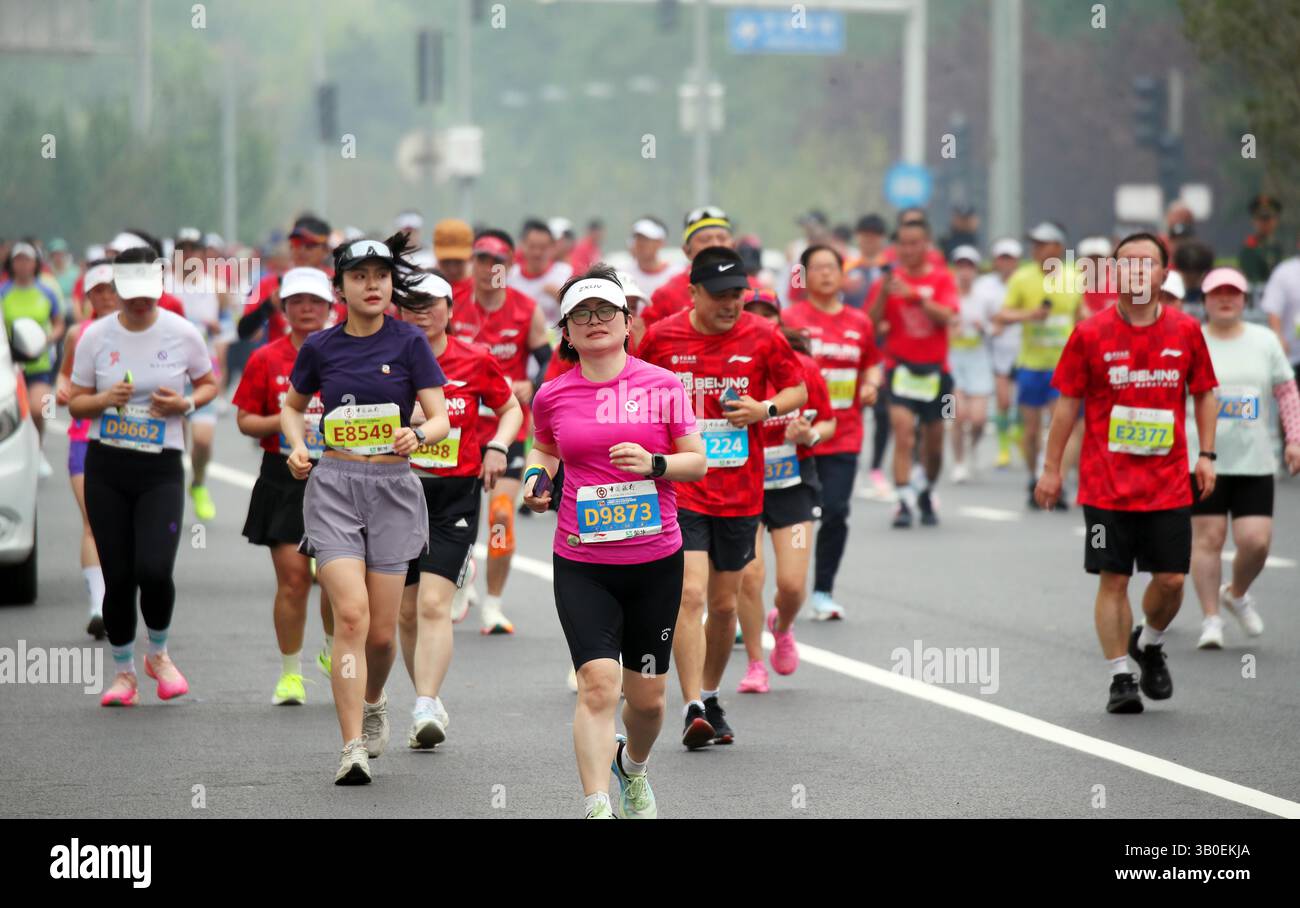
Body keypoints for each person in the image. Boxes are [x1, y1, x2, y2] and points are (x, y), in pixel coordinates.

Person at [523, 266, 706, 817]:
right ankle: (596, 804)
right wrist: (537, 479)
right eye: (582, 315)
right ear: (567, 332)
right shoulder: (552, 395)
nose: (595, 322)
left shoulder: (663, 386)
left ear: (628, 323)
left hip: (655, 561)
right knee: (598, 685)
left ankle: (632, 767)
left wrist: (655, 463)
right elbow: (545, 450)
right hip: (583, 561)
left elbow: (696, 462)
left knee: (648, 703)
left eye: (606, 312)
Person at [282, 235, 450, 784]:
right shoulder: (320, 347)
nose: (372, 285)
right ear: (341, 288)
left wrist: (417, 434)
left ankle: (375, 700)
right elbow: (292, 407)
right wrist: (298, 445)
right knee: (350, 615)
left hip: (393, 488)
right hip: (333, 485)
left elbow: (441, 419)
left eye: (381, 276)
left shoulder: (409, 343)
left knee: (381, 634)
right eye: (360, 276)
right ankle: (351, 745)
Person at [1035, 232, 1218, 715]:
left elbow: (1204, 392)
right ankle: (1120, 676)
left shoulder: (1185, 331)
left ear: (1163, 274)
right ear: (1114, 274)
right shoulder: (1089, 334)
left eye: (1147, 264)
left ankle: (1150, 643)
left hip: (1168, 484)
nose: (1137, 272)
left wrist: (1208, 455)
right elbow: (1066, 407)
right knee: (1113, 579)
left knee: (1173, 581)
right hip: (1105, 485)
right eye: (1127, 264)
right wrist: (1051, 470)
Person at [637, 246, 806, 748]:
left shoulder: (762, 334)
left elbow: (797, 388)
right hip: (682, 488)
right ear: (694, 293)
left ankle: (709, 695)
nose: (731, 304)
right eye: (720, 296)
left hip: (740, 492)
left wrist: (765, 408)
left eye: (738, 295)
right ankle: (691, 706)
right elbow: (634, 388)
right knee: (688, 595)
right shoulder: (663, 337)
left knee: (725, 604)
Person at [67, 247, 221, 706]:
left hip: (160, 467)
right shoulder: (95, 336)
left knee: (153, 568)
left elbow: (210, 382)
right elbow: (75, 401)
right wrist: (103, 399)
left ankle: (159, 653)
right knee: (118, 576)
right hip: (107, 465)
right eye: (130, 295)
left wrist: (185, 404)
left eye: (147, 295)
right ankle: (123, 672)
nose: (139, 303)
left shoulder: (182, 332)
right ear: (115, 289)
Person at [396, 271, 522, 748]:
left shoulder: (474, 358)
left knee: (433, 604)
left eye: (432, 303)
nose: (422, 311)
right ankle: (424, 696)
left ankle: (425, 703)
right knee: (405, 613)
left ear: (451, 308)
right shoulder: (386, 360)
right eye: (412, 304)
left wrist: (498, 446)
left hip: (454, 496)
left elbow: (510, 408)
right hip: (396, 493)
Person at [232, 267, 339, 704]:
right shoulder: (265, 358)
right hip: (283, 476)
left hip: (340, 475)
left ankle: (334, 651)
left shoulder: (347, 353)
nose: (307, 309)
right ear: (284, 308)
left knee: (335, 579)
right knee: (294, 580)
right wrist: (288, 419)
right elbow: (244, 421)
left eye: (315, 301)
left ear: (331, 307)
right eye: (297, 302)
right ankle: (290, 673)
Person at [1185, 268, 1300, 649]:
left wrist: (1294, 441)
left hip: (1254, 460)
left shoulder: (1265, 341)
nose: (1225, 299)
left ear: (1244, 300)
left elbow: (1286, 393)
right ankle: (1211, 620)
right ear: (1203, 301)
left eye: (1233, 293)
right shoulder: (1191, 340)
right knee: (1209, 539)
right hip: (1204, 460)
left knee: (1256, 542)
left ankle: (1235, 593)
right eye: (1216, 293)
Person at [448, 229, 551, 635]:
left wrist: (532, 384)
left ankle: (492, 604)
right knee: (460, 518)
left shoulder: (526, 310)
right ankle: (461, 573)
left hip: (508, 428)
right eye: (482, 259)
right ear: (472, 263)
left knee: (503, 515)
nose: (489, 269)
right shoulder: (452, 306)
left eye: (499, 262)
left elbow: (548, 361)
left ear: (510, 268)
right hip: (459, 428)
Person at [735, 291, 835, 690]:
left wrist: (808, 433)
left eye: (769, 315)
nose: (762, 323)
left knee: (792, 585)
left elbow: (828, 423)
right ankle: (756, 664)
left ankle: (783, 624)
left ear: (779, 321)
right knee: (750, 575)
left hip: (793, 487)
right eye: (752, 315)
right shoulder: (730, 370)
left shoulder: (803, 368)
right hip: (743, 486)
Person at [783, 245, 882, 618]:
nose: (825, 274)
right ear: (804, 277)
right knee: (793, 518)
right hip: (795, 435)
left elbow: (873, 363)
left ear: (842, 276)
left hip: (842, 433)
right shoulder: (789, 319)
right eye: (817, 268)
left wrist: (871, 384)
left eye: (832, 268)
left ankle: (823, 591)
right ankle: (784, 591)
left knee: (836, 511)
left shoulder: (860, 322)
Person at [867, 218, 959, 527]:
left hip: (937, 372)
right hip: (899, 369)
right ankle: (904, 500)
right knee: (903, 431)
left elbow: (948, 316)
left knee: (934, 444)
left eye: (914, 243)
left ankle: (925, 489)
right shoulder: (887, 281)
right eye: (902, 244)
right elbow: (868, 324)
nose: (908, 250)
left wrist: (915, 296)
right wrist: (884, 293)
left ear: (926, 244)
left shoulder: (942, 278)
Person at [994, 222, 1082, 509]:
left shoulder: (1073, 277)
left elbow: (1081, 318)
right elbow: (1002, 314)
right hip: (1031, 365)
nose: (1037, 250)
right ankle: (1035, 475)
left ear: (1058, 248)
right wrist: (1028, 315)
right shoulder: (1022, 278)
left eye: (1043, 244)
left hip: (1064, 366)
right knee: (1031, 432)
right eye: (1034, 244)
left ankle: (1058, 479)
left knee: (1064, 426)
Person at [55, 261, 119, 639]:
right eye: (100, 291)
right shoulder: (79, 334)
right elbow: (64, 374)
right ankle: (98, 605)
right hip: (85, 436)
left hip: (133, 438)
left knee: (125, 529)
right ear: (88, 297)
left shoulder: (141, 332)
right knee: (94, 522)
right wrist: (64, 389)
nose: (108, 296)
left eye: (113, 288)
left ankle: (120, 599)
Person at [171, 229, 224, 522]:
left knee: (202, 440)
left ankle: (199, 484)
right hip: (170, 371)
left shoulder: (215, 286)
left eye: (195, 249)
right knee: (176, 438)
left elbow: (231, 327)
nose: (189, 254)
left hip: (204, 371)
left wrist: (217, 327)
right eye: (184, 249)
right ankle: (170, 490)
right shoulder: (162, 285)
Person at [2, 241, 65, 477]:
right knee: (14, 412)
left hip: (41, 363)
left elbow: (59, 323)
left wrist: (48, 338)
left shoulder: (46, 291)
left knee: (42, 409)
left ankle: (38, 449)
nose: (23, 264)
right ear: (11, 264)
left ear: (35, 264)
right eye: (18, 259)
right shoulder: (4, 292)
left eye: (27, 260)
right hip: (10, 364)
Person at [640, 207, 747, 330]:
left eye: (722, 238)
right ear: (686, 250)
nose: (715, 245)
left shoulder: (754, 288)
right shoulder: (666, 295)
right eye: (705, 240)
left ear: (733, 246)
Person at [238, 214, 335, 343]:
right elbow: (243, 332)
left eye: (310, 245)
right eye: (296, 243)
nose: (301, 250)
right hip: (284, 361)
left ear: (326, 250)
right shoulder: (272, 284)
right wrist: (269, 306)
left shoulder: (340, 284)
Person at [947, 245, 997, 482]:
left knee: (978, 420)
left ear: (976, 270)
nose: (965, 271)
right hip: (953, 361)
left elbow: (998, 326)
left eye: (970, 266)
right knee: (957, 416)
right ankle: (958, 463)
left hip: (979, 362)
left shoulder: (985, 298)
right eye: (961, 266)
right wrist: (950, 329)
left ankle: (972, 449)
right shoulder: (947, 295)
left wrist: (983, 328)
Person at [975, 238, 1024, 469]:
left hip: (1023, 347)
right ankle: (1004, 448)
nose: (1006, 263)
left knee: (1023, 404)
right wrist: (991, 325)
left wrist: (1005, 318)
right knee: (1003, 401)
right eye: (1002, 258)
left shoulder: (1024, 282)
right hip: (996, 349)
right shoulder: (984, 285)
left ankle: (1020, 437)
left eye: (1010, 258)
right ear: (995, 260)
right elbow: (978, 315)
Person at [508, 218, 573, 326]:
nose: (537, 253)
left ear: (552, 247)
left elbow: (579, 312)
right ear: (522, 246)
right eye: (532, 247)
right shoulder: (510, 276)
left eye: (542, 248)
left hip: (556, 340)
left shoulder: (565, 273)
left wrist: (562, 298)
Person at [1239, 194, 1283, 286]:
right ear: (1253, 221)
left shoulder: (1277, 247)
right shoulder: (1249, 247)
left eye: (1269, 219)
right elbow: (1253, 279)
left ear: (1276, 221)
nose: (1265, 223)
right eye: (1261, 219)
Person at [624, 218, 674, 298]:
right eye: (638, 238)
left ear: (660, 243)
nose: (641, 243)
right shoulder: (623, 274)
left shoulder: (674, 274)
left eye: (646, 239)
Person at [433, 218, 475, 298]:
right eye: (446, 262)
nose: (453, 270)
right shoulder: (424, 288)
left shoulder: (481, 292)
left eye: (459, 262)